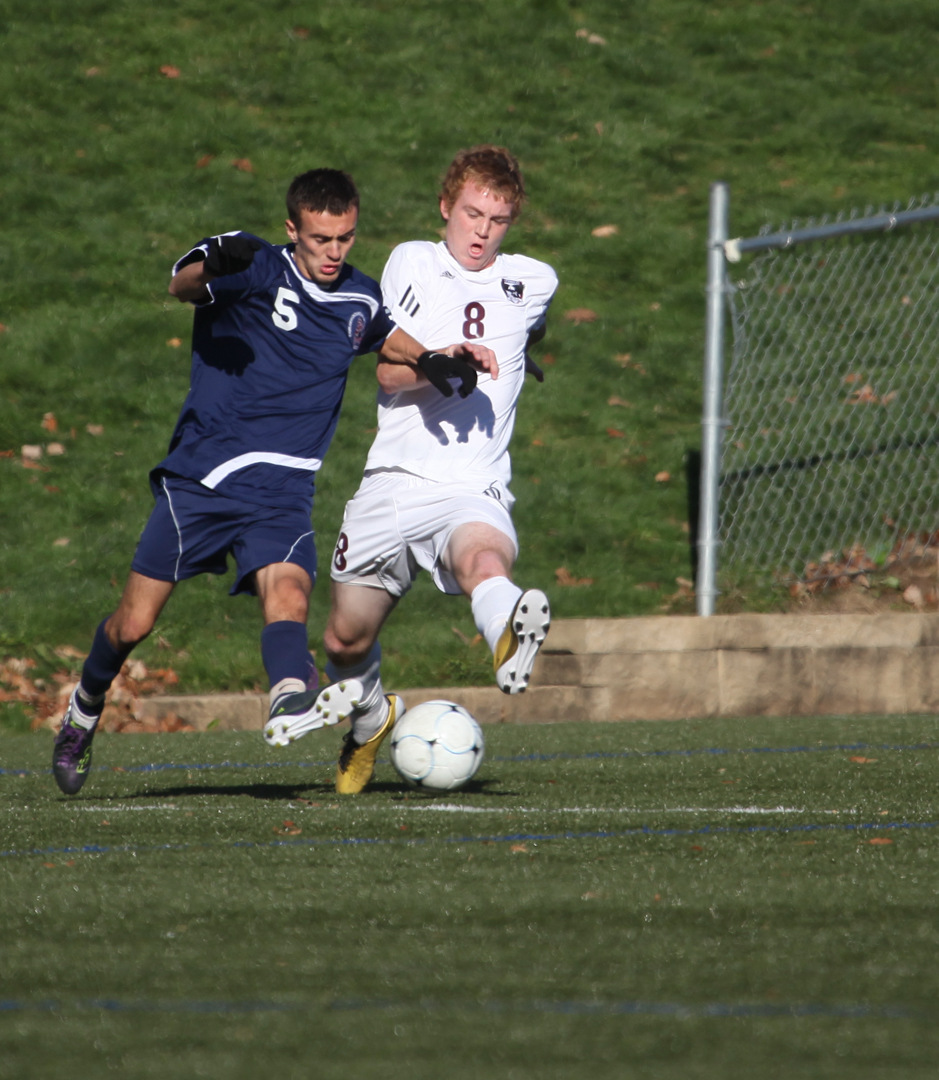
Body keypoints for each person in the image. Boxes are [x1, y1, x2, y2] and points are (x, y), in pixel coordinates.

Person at [49, 168, 494, 796]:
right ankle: (84, 708)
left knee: (289, 594)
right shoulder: (256, 266)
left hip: (283, 490)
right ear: (292, 229)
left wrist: (432, 360)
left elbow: (382, 334)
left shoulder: (358, 295)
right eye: (321, 239)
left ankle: (291, 694)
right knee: (133, 624)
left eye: (345, 238)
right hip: (203, 479)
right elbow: (181, 286)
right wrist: (211, 262)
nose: (334, 251)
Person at [262, 146, 558, 796]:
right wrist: (443, 363)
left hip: (471, 481)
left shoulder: (534, 279)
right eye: (472, 214)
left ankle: (508, 632)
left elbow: (528, 324)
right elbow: (387, 372)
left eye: (498, 220)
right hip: (394, 480)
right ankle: (371, 719)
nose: (482, 231)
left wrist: (520, 353)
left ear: (512, 222)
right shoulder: (413, 262)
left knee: (483, 559)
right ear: (446, 206)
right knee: (344, 640)